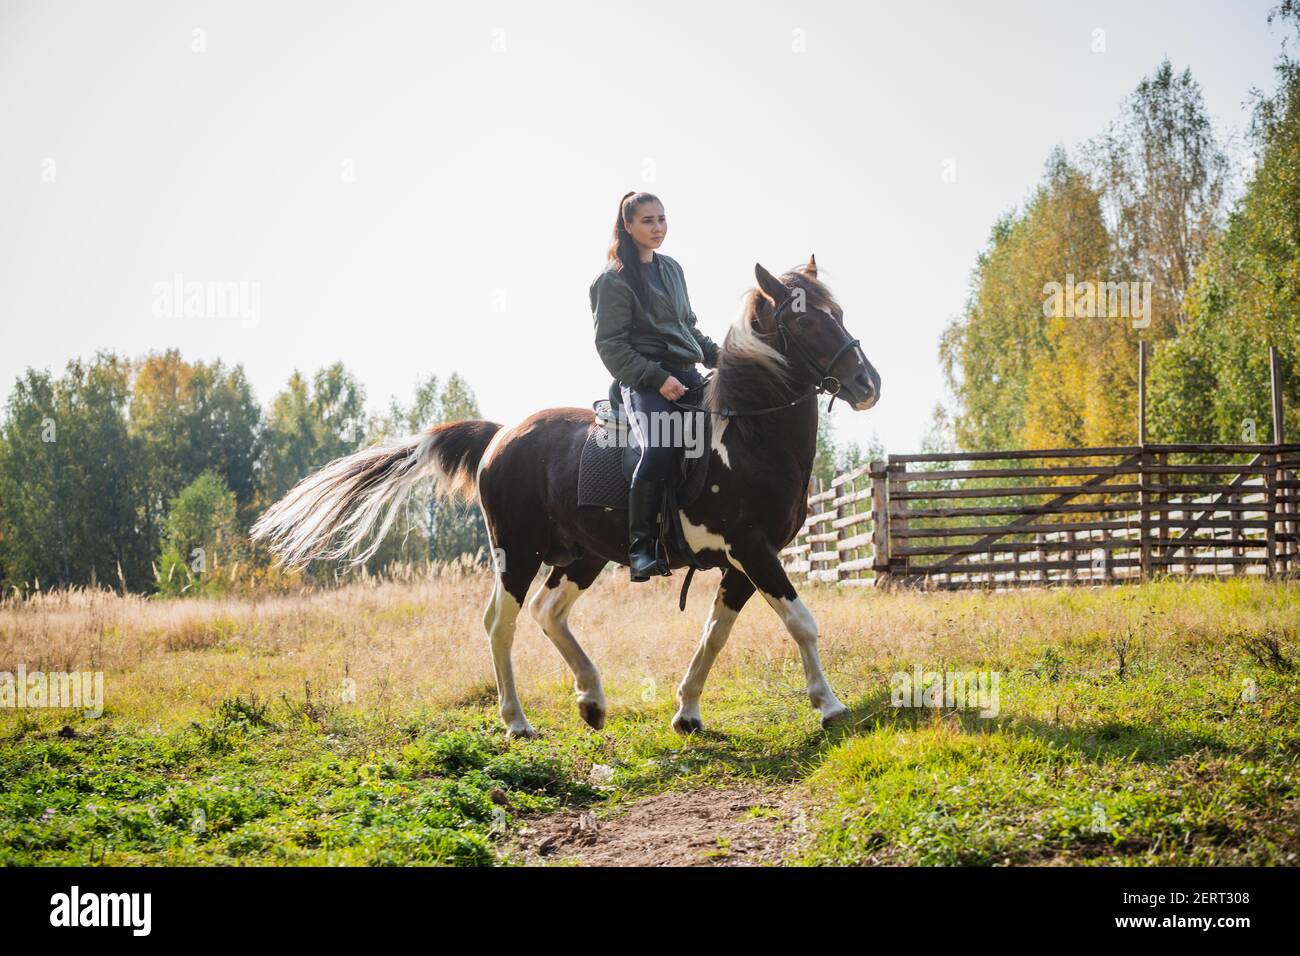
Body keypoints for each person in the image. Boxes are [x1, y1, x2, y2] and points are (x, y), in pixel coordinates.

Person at [589, 191, 720, 582]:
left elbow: (687, 327)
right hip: (643, 382)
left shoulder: (672, 269)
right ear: (628, 226)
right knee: (660, 448)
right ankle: (642, 547)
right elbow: (611, 346)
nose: (658, 227)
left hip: (688, 373)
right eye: (648, 221)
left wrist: (721, 357)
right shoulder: (611, 281)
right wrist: (658, 379)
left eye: (662, 219)